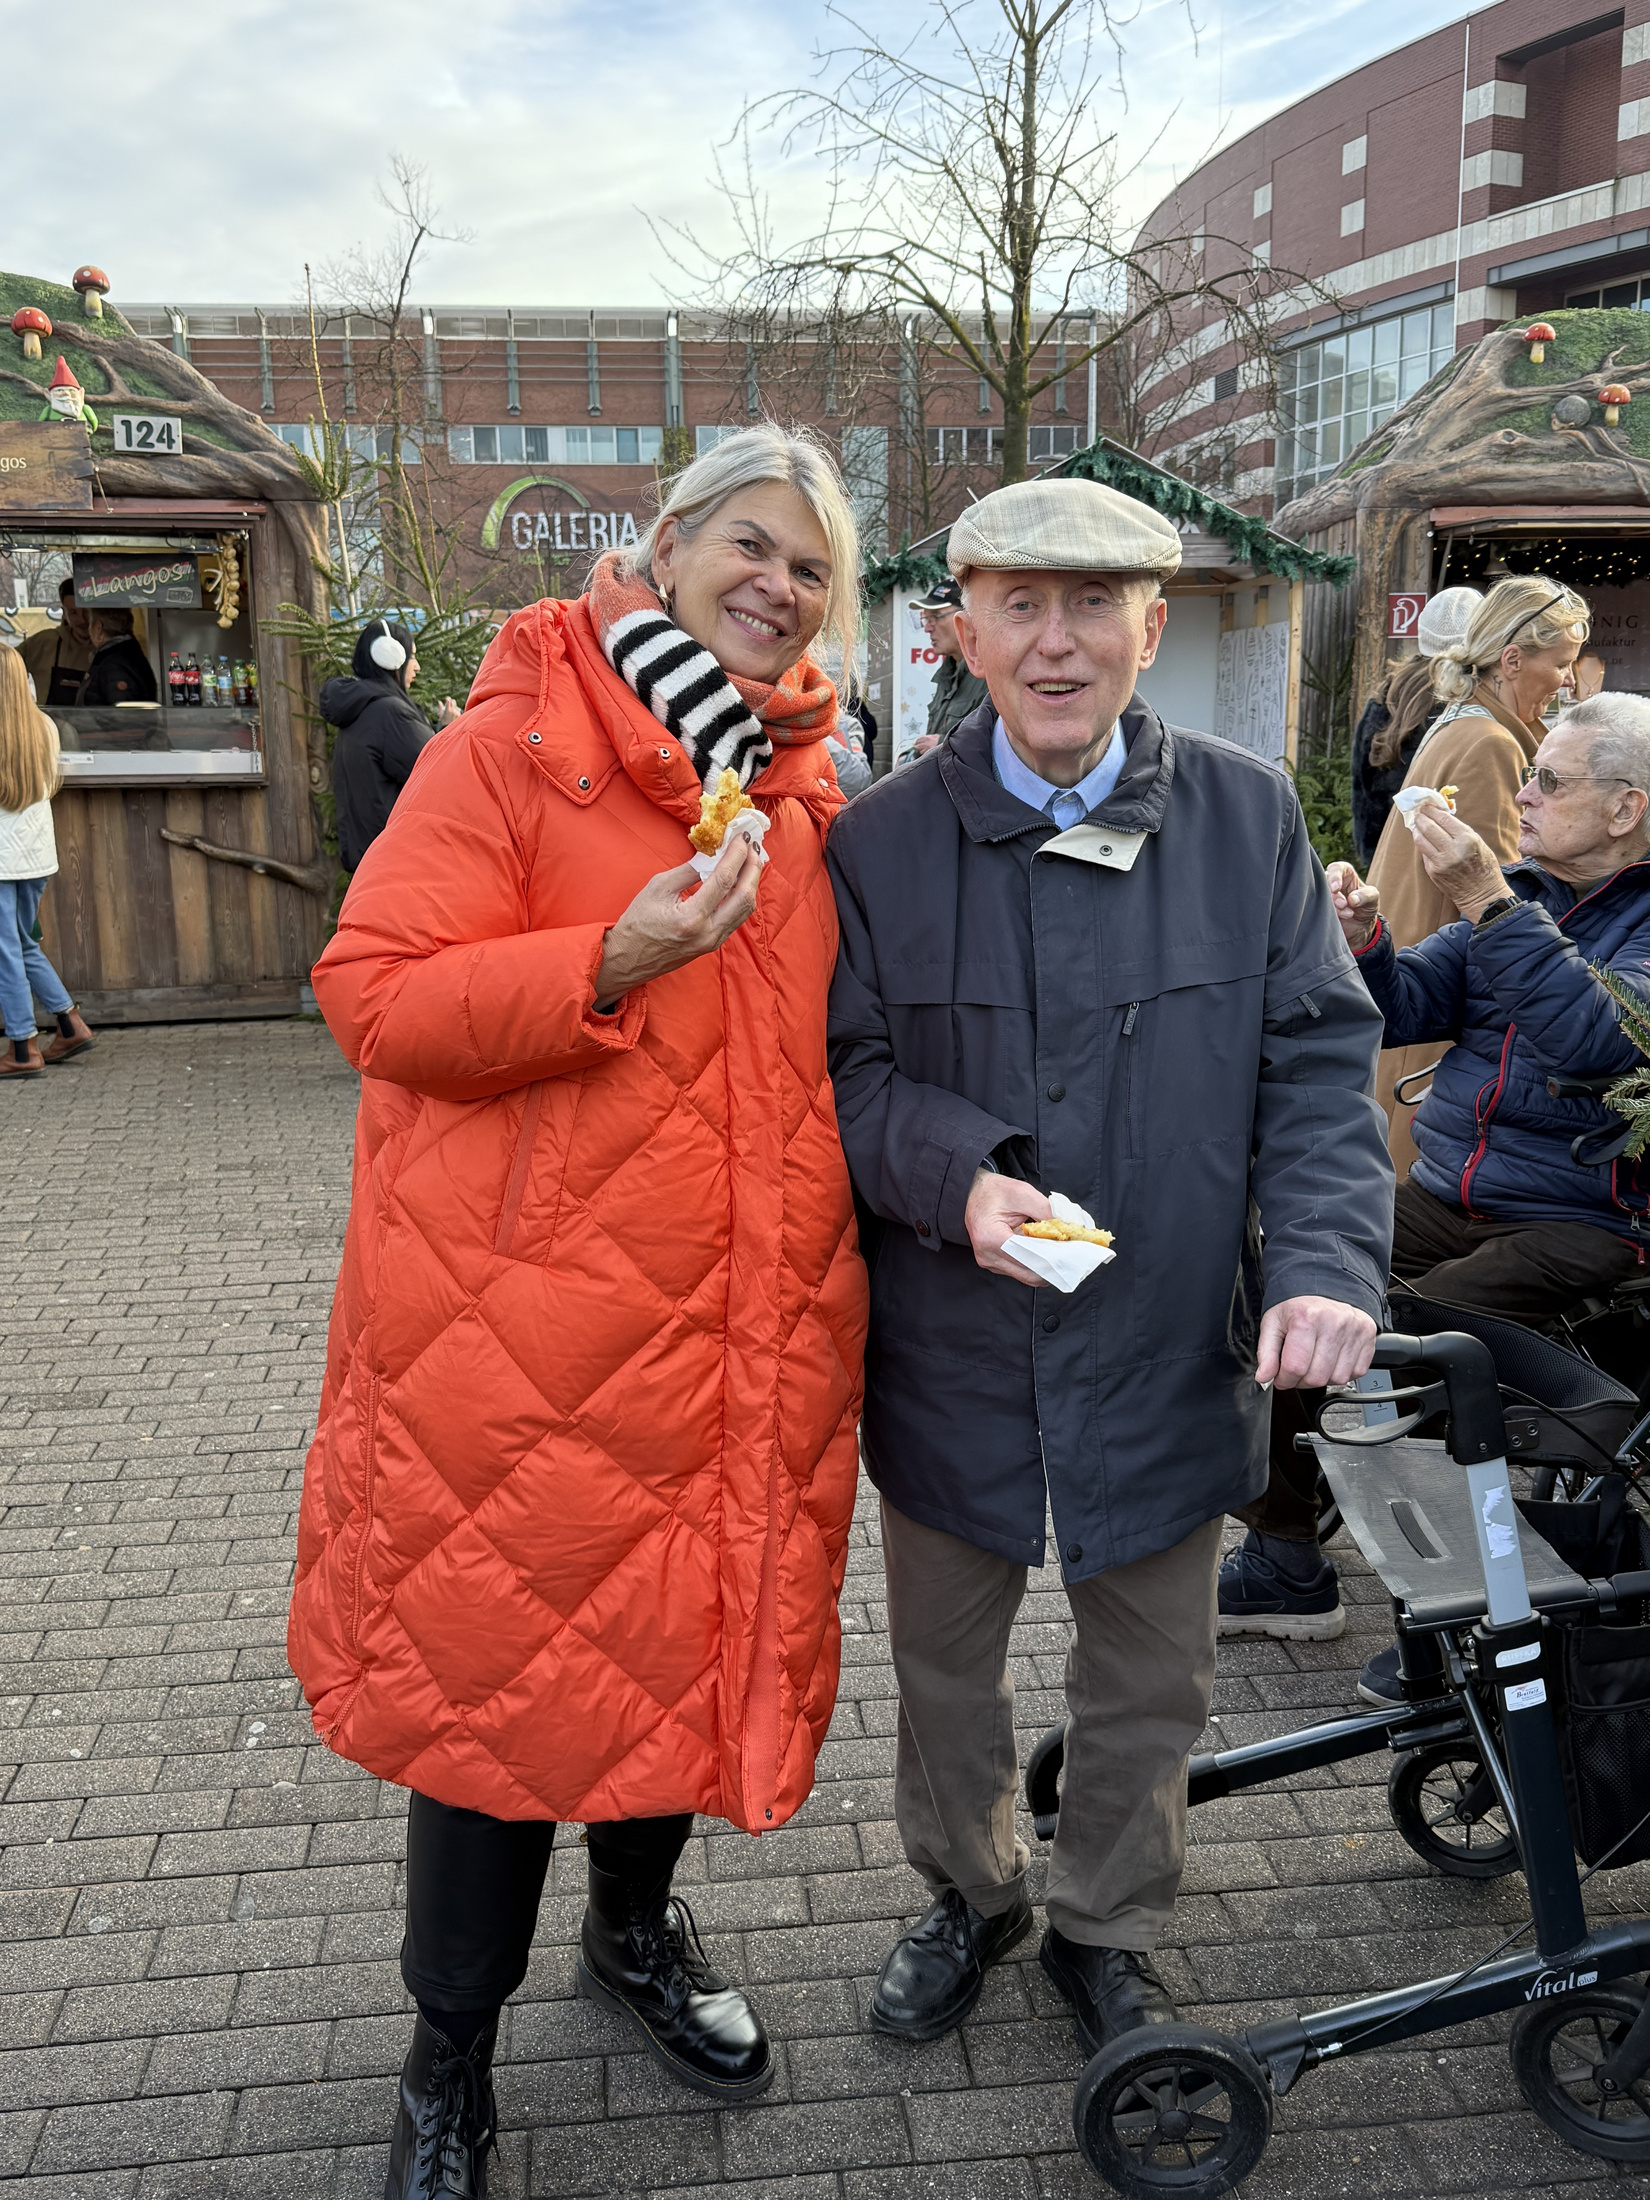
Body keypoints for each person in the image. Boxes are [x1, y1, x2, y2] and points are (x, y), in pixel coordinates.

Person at [287, 425, 870, 2195]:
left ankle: (633, 1939)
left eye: (814, 569)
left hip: (737, 1342)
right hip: (522, 1341)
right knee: (497, 1704)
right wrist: (611, 959)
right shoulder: (516, 745)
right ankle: (443, 2063)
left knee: (671, 1667)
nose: (776, 586)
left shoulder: (810, 793)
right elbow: (372, 999)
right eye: (749, 546)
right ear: (670, 543)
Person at [825, 475, 1393, 2065]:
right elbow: (845, 1073)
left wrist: (1330, 1261)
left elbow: (1312, 1062)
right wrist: (960, 1177)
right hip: (954, 1335)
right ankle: (969, 1892)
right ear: (961, 631)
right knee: (944, 1666)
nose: (1056, 642)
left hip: (1159, 1333)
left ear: (1153, 627)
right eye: (1020, 603)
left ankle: (1106, 1922)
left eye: (1094, 606)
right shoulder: (875, 844)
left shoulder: (1244, 817)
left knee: (1150, 1669)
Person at [1222, 694, 1650, 1689]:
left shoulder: (1544, 908)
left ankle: (1466, 1620)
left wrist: (1488, 901)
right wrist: (1360, 940)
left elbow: (1600, 1044)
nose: (1527, 794)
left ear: (1625, 809)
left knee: (1421, 1333)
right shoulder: (1530, 894)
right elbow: (1399, 1005)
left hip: (1590, 1217)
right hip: (1455, 1192)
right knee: (1296, 1272)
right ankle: (1288, 1556)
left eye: (1550, 779)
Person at [1370, 576, 1589, 1178]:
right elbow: (1509, 893)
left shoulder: (1460, 724)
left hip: (1414, 970)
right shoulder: (1494, 744)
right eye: (1562, 663)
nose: (1569, 680)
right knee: (1422, 1187)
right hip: (1443, 996)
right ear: (1513, 660)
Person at [0, 647, 95, 1079]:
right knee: (21, 943)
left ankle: (22, 1049)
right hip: (36, 856)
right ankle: (69, 1022)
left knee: (6, 951)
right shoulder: (45, 725)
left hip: (2, 859)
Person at [319, 620, 461, 874]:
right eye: (412, 657)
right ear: (391, 657)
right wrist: (451, 730)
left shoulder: (360, 709)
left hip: (370, 859)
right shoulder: (390, 714)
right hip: (396, 862)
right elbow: (438, 775)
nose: (415, 666)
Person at [1350, 587, 1480, 863]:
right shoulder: (1467, 702)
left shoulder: (1387, 694)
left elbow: (1362, 787)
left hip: (1384, 859)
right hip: (1445, 866)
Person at [908, 575, 990, 758]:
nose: (927, 628)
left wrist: (942, 744)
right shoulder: (948, 675)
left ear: (965, 619)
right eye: (926, 619)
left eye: (936, 617)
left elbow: (1001, 747)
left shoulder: (989, 675)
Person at [20, 579, 93, 708]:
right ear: (64, 613)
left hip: (92, 727)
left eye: (86, 611)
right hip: (47, 726)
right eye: (73, 612)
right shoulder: (44, 642)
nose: (82, 620)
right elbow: (6, 663)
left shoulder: (106, 649)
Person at [77, 607, 158, 708]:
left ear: (98, 628)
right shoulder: (125, 655)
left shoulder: (114, 666)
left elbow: (122, 717)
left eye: (90, 623)